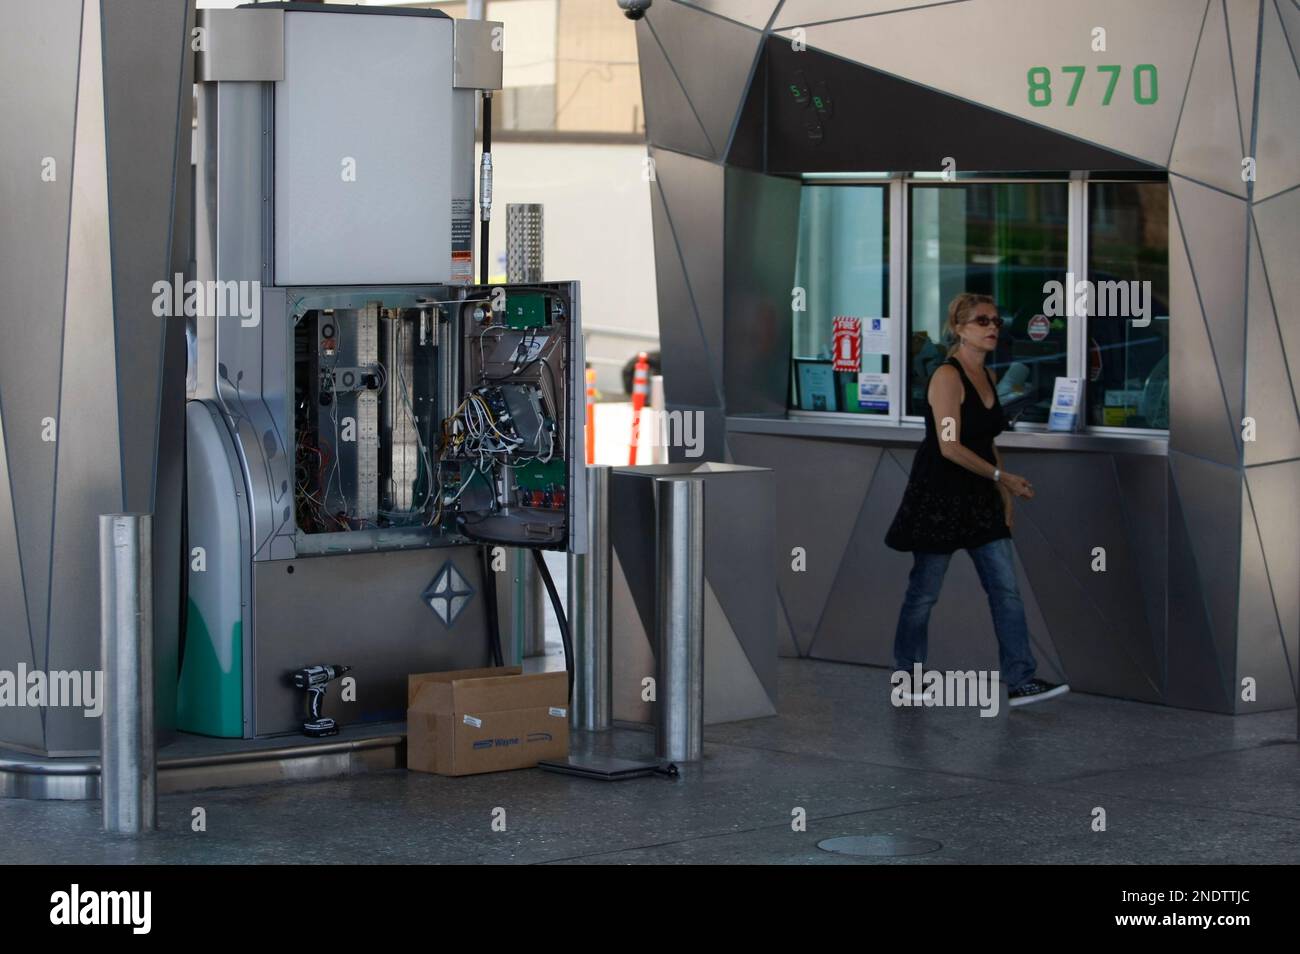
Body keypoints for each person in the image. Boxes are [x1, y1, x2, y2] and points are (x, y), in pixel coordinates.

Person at [884, 292, 1069, 707]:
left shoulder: (987, 376)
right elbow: (949, 446)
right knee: (924, 592)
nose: (992, 328)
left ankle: (1021, 679)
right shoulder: (948, 377)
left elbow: (986, 441)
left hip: (980, 495)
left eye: (997, 322)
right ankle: (907, 674)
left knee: (1006, 589)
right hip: (940, 495)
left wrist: (1001, 490)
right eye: (982, 321)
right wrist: (1004, 477)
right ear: (959, 328)